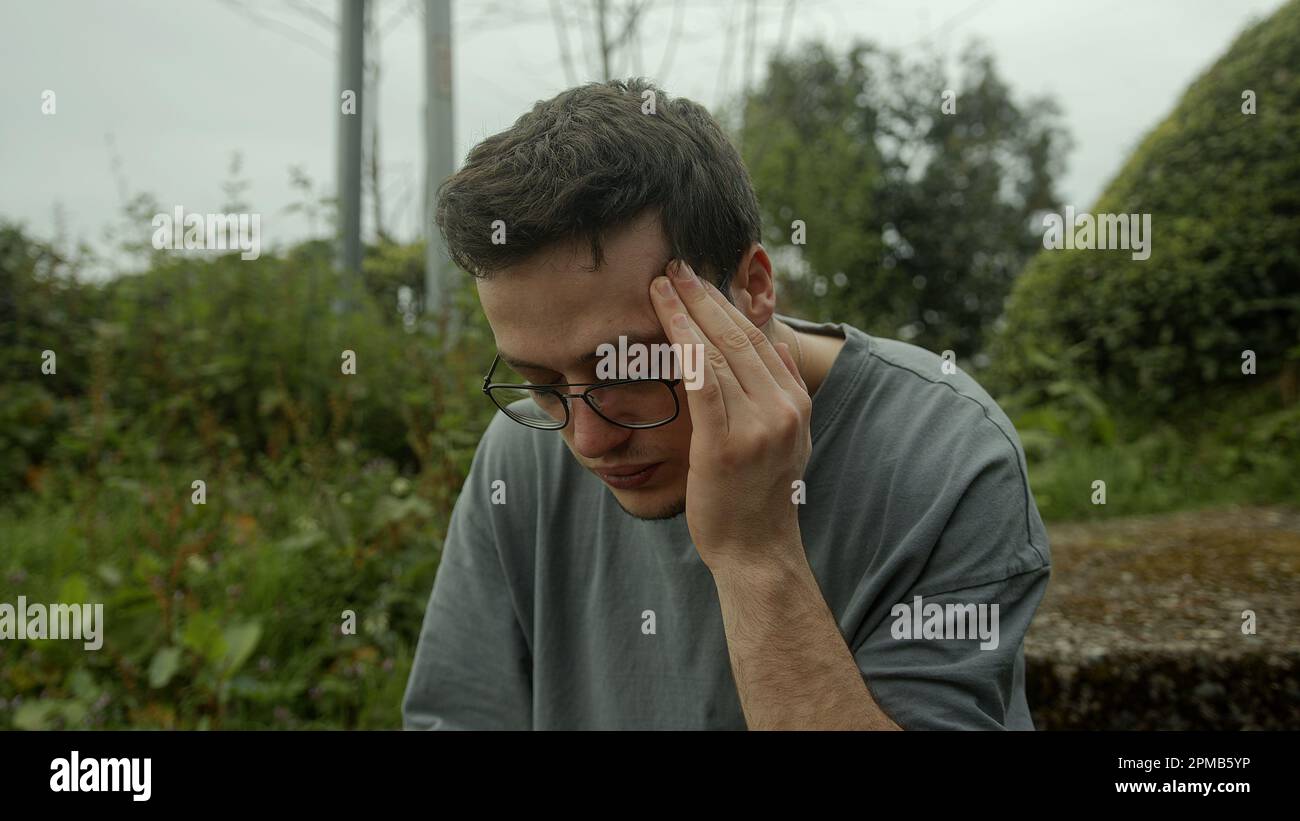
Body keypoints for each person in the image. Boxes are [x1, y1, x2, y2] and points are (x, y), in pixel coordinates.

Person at [402, 78, 1051, 730]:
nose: (590, 438)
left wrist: (755, 553)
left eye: (633, 365)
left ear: (754, 286)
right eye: (541, 381)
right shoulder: (523, 451)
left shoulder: (944, 454)